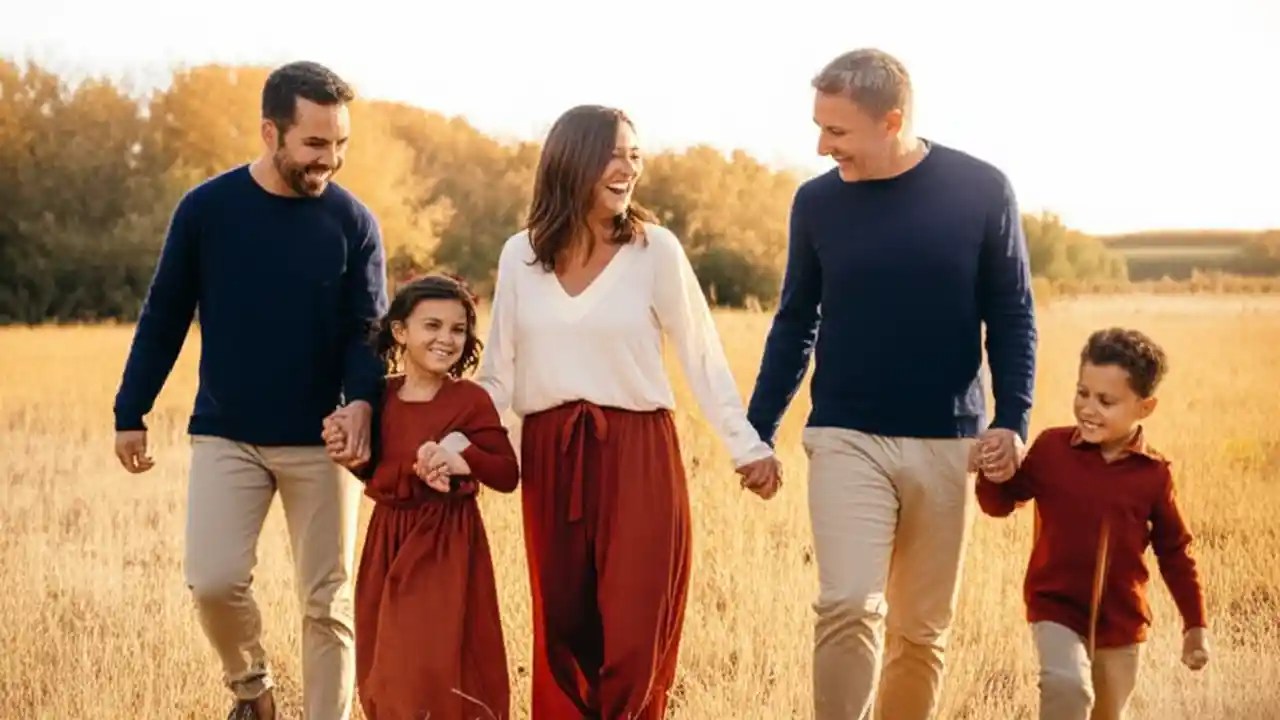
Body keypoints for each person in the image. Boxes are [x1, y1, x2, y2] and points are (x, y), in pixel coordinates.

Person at [744, 48, 1038, 720]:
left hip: (946, 442)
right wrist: (756, 429)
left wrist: (1012, 417)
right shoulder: (817, 203)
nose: (822, 147)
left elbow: (1013, 313)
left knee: (920, 631)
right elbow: (795, 321)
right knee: (848, 601)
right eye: (819, 127)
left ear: (892, 120)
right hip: (846, 433)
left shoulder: (981, 189)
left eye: (837, 132)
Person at [474, 103, 782, 719]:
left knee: (636, 625)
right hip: (551, 453)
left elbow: (702, 353)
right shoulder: (520, 256)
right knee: (562, 627)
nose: (628, 168)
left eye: (635, 156)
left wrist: (747, 446)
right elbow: (497, 373)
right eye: (615, 154)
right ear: (573, 160)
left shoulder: (654, 250)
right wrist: (472, 452)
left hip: (638, 452)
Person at [110, 61, 387, 720]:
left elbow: (368, 331)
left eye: (341, 144)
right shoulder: (207, 210)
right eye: (316, 144)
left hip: (323, 444)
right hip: (227, 433)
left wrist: (361, 403)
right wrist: (131, 409)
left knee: (327, 602)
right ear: (271, 132)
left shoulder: (353, 223)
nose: (331, 159)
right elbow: (165, 314)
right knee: (213, 580)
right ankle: (252, 688)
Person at [976, 328, 1209, 720]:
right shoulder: (1052, 449)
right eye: (1082, 393)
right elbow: (1001, 504)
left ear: (1144, 407)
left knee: (1105, 713)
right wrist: (992, 472)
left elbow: (1176, 553)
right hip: (1056, 609)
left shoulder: (1153, 474)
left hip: (1122, 624)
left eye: (1106, 400)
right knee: (1068, 690)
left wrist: (1195, 624)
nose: (1088, 408)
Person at [321, 275, 520, 720]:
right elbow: (375, 469)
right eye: (432, 325)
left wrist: (459, 455)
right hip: (388, 540)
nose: (445, 339)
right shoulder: (380, 397)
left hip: (446, 544)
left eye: (457, 329)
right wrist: (347, 451)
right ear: (400, 331)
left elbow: (507, 472)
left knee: (435, 661)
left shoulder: (469, 401)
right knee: (383, 660)